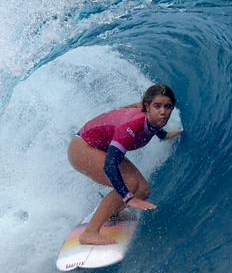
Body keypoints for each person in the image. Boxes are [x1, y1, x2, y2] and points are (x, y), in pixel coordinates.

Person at [68, 84, 182, 245]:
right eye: (157, 106)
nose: (163, 112)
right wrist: (128, 199)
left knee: (142, 190)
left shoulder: (154, 119)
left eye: (168, 106)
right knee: (130, 185)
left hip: (100, 147)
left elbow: (155, 126)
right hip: (82, 148)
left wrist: (166, 135)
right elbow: (110, 165)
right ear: (147, 106)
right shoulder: (131, 126)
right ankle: (90, 233)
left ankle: (112, 212)